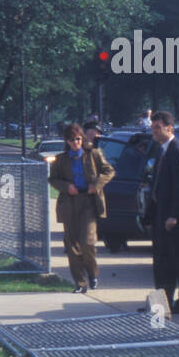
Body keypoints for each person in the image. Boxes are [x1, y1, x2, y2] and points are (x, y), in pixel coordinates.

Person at [47, 123, 114, 293]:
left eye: (78, 139)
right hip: (70, 203)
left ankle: (92, 273)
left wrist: (96, 185)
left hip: (89, 202)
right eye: (72, 140)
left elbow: (109, 171)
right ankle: (80, 282)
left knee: (87, 242)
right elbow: (53, 179)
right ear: (67, 141)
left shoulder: (93, 154)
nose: (75, 142)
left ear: (82, 138)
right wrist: (66, 186)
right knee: (72, 245)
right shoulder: (61, 159)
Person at [145, 111, 179, 313]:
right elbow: (156, 185)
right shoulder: (161, 150)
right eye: (153, 127)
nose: (154, 132)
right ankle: (161, 304)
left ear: (169, 128)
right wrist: (150, 214)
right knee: (161, 262)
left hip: (177, 219)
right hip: (161, 215)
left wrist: (174, 215)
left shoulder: (178, 151)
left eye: (157, 128)